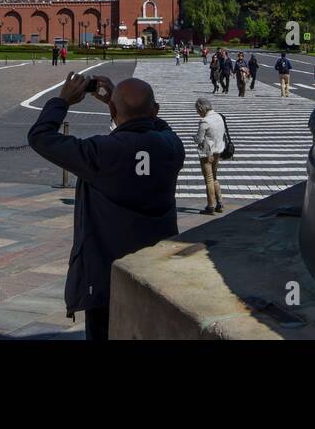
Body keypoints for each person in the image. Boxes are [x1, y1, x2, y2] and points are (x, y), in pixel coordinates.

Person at [28, 71, 184, 341]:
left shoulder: (101, 152)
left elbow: (41, 137)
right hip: (158, 271)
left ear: (111, 110)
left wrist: (61, 101)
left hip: (106, 278)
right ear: (155, 111)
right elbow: (160, 126)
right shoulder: (172, 147)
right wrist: (122, 102)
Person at [194, 97, 225, 215]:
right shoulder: (219, 117)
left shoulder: (205, 121)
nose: (198, 113)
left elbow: (199, 139)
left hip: (207, 153)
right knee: (215, 177)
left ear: (202, 108)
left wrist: (194, 138)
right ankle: (220, 203)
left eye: (198, 110)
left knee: (208, 179)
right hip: (218, 151)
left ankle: (210, 206)